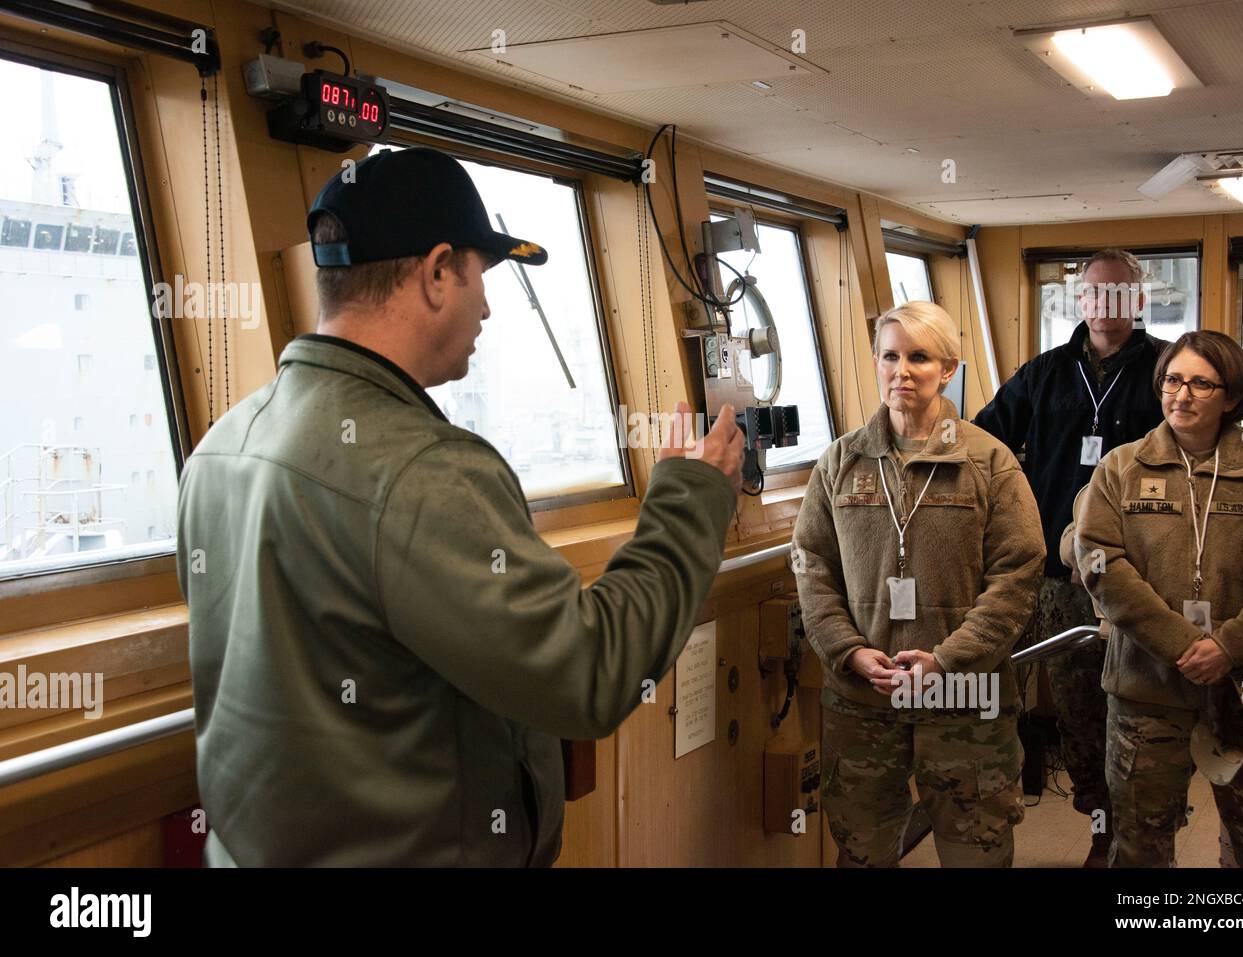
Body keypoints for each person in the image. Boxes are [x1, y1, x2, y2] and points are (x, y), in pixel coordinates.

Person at [175, 147, 745, 866]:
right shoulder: (422, 472)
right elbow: (592, 674)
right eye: (481, 274)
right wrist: (694, 498)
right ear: (438, 270)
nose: (488, 304)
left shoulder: (218, 451)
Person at [794, 301, 1045, 867]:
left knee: (976, 852)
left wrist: (947, 659)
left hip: (963, 695)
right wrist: (848, 651)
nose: (901, 371)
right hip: (863, 699)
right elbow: (812, 567)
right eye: (890, 356)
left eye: (919, 357)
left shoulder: (989, 462)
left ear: (948, 368)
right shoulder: (841, 462)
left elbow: (1019, 572)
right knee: (861, 852)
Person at [1072, 330, 1243, 867]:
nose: (1183, 395)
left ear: (1233, 395)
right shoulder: (1121, 467)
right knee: (1140, 845)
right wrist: (1180, 643)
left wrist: (1228, 645)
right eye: (1173, 380)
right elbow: (1100, 563)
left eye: (1202, 383)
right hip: (1146, 686)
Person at [974, 248, 1167, 865]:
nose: (1105, 305)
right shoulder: (1044, 374)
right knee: (1081, 709)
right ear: (1078, 302)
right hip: (1064, 576)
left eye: (1119, 293)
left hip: (1147, 577)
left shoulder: (1168, 369)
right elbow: (984, 443)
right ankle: (1102, 828)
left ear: (1138, 301)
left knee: (1141, 704)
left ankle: (1145, 831)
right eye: (1094, 293)